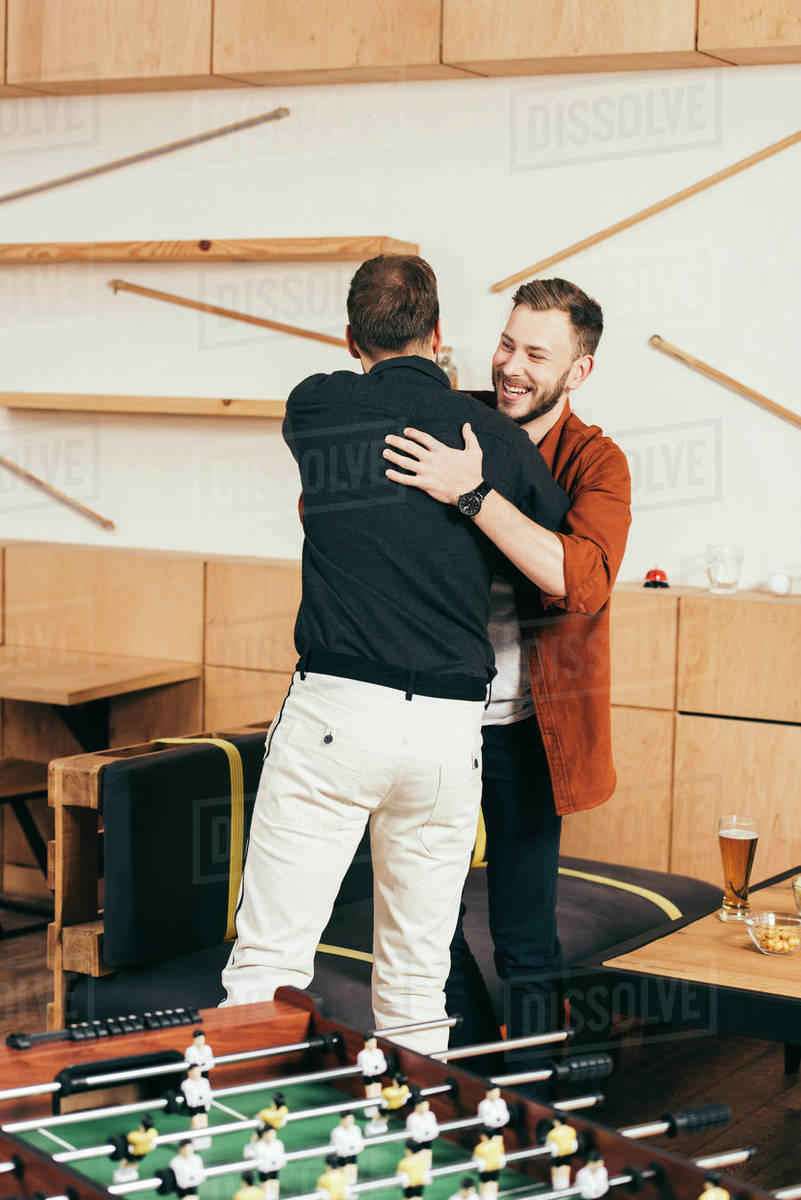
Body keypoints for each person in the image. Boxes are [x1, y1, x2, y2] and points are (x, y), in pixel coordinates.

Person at [220, 255, 569, 1054]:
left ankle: (239, 1118)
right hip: (449, 731)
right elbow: (551, 538)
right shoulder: (493, 439)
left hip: (337, 713)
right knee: (415, 980)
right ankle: (423, 1129)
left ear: (349, 337)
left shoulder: (314, 405)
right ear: (438, 333)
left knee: (269, 962)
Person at [382, 278, 631, 1061]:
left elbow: (578, 580)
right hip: (428, 718)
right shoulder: (443, 417)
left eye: (536, 355)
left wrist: (473, 494)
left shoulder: (596, 461)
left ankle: (535, 1105)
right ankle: (469, 1087)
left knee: (523, 938)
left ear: (578, 370)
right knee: (427, 924)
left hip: (527, 729)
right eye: (505, 344)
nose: (510, 367)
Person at [330, 1112, 364, 1184]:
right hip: (341, 1158)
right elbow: (338, 1150)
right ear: (342, 1120)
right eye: (348, 1119)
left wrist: (350, 1150)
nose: (350, 1121)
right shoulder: (336, 1132)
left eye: (352, 1119)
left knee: (352, 1172)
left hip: (352, 1156)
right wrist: (351, 1150)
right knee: (343, 1177)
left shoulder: (356, 1129)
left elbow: (360, 1145)